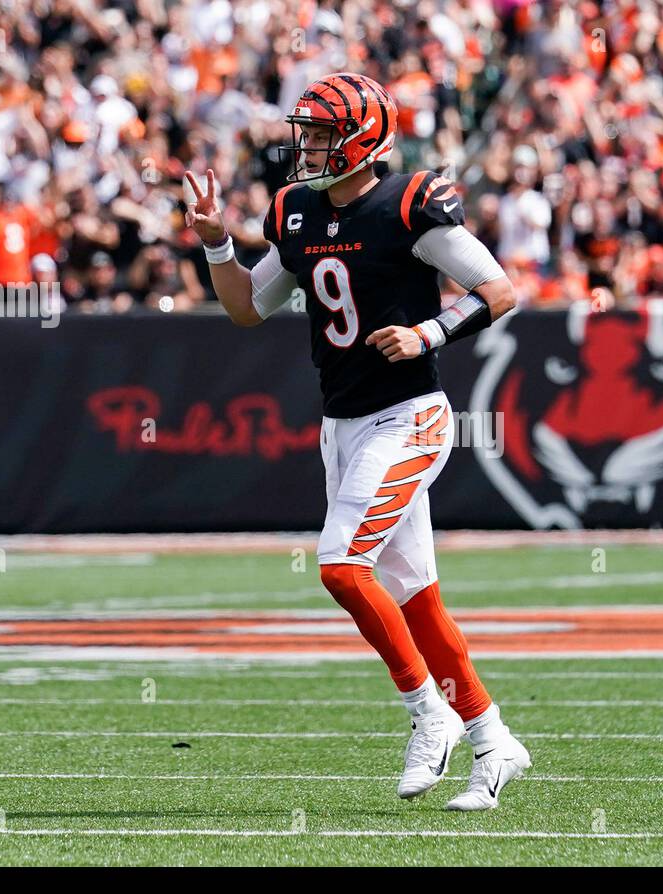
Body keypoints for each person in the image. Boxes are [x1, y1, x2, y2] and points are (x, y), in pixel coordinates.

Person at [186, 73, 528, 811]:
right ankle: (494, 740)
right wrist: (217, 246)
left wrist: (428, 332)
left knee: (342, 567)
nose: (307, 146)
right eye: (306, 132)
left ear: (362, 140)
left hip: (409, 416)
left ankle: (427, 712)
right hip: (340, 425)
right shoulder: (298, 212)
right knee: (416, 598)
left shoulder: (407, 205)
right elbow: (246, 307)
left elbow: (499, 291)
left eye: (321, 134)